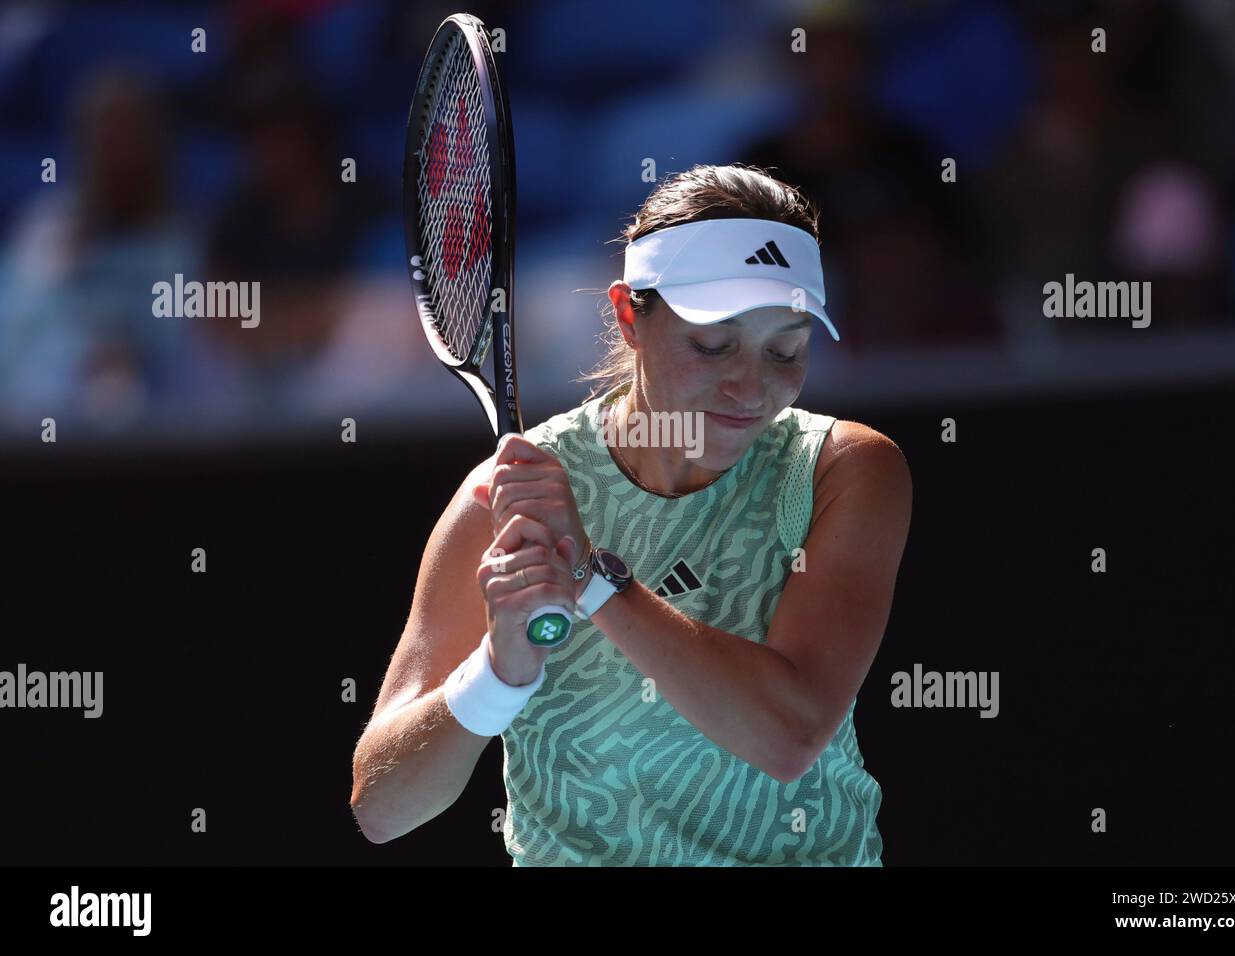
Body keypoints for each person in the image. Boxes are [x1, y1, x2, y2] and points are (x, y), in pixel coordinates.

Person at [350, 165, 912, 865]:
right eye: (713, 345)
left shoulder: (842, 470)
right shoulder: (499, 498)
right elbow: (382, 808)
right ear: (628, 315)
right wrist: (497, 673)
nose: (752, 387)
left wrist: (590, 579)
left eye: (785, 349)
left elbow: (788, 737)